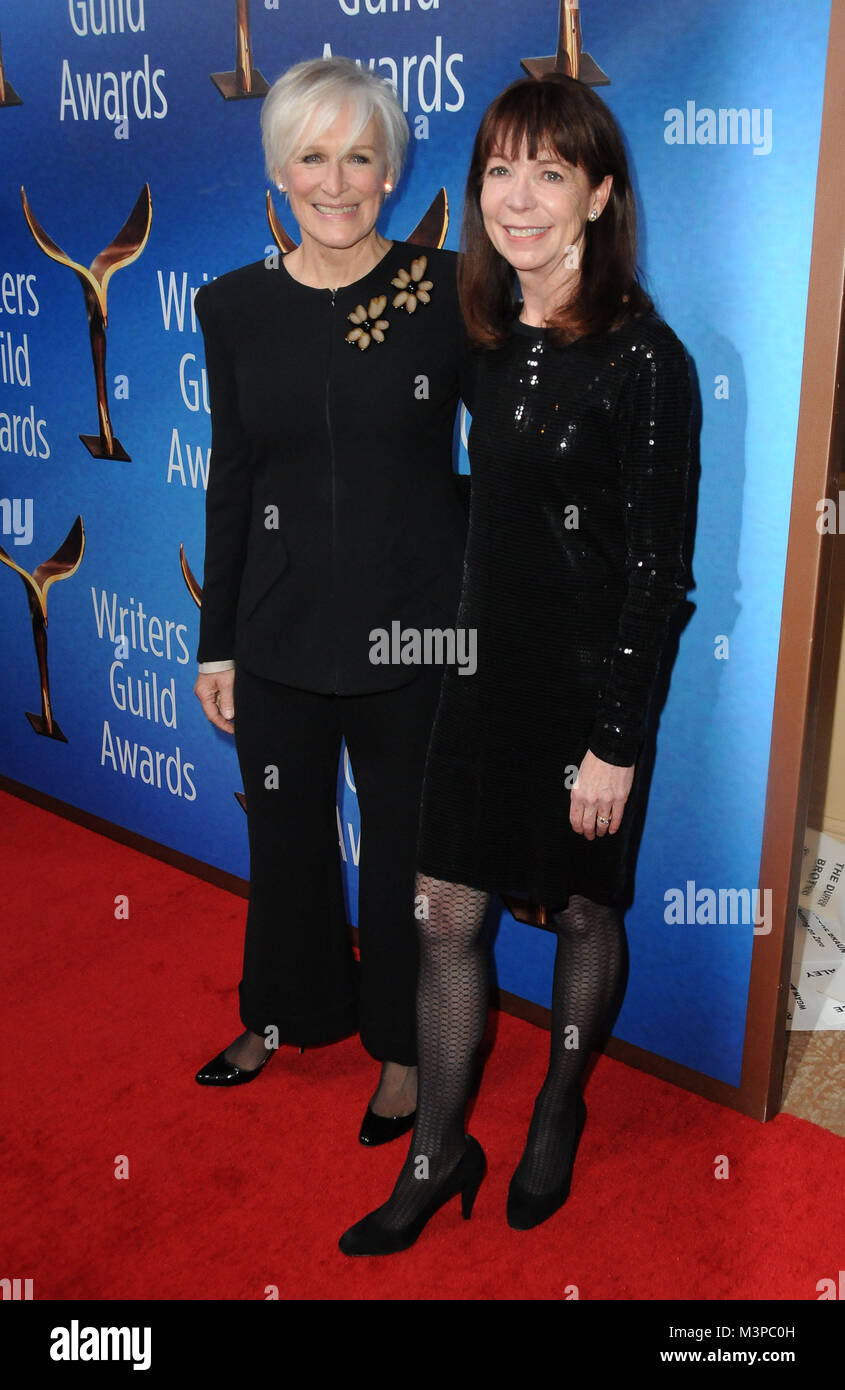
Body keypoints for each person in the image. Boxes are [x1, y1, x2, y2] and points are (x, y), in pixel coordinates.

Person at [339, 72, 693, 1253]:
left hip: (586, 699)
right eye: (500, 169)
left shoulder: (648, 361)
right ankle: (441, 1146)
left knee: (584, 915)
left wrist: (614, 744)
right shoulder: (481, 335)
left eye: (550, 171)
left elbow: (659, 577)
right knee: (443, 910)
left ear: (598, 194)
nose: (519, 196)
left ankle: (557, 1101)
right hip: (478, 680)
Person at [192, 56, 471, 1146]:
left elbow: (493, 464)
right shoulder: (234, 306)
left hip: (414, 637)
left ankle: (402, 1051)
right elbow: (233, 480)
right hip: (276, 635)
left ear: (391, 168)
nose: (338, 179)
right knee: (286, 842)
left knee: (406, 861)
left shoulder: (447, 291)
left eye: (361, 154)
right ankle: (281, 1011)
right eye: (313, 155)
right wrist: (216, 645)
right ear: (278, 170)